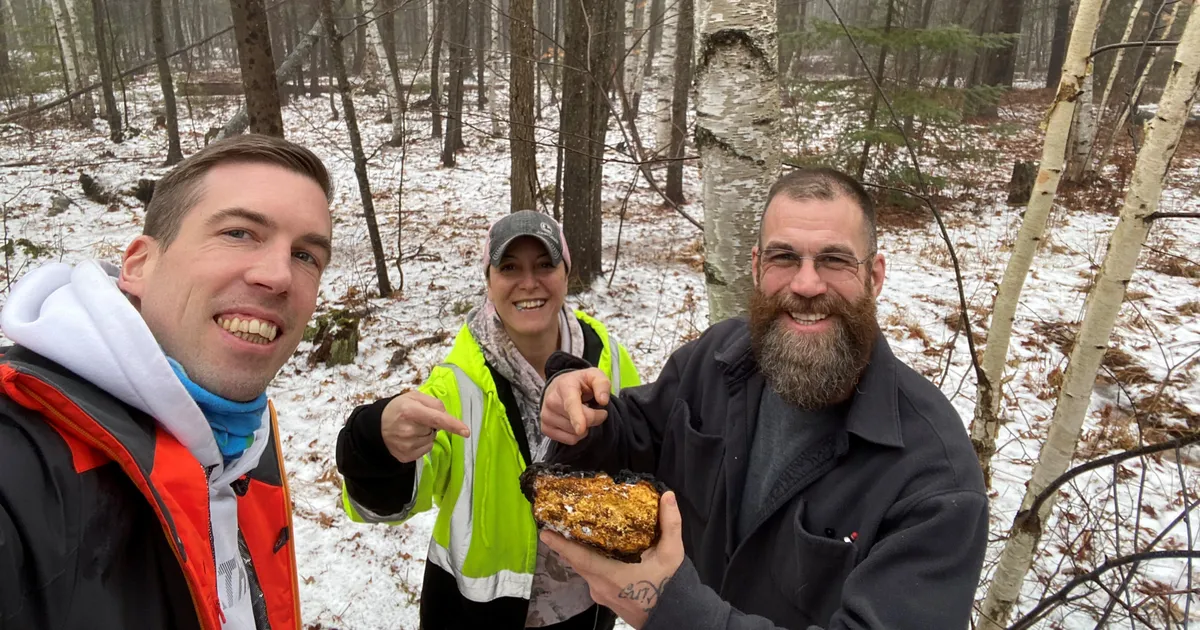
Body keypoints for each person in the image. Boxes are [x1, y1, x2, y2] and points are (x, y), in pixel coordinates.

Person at [537, 167, 989, 630]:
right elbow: (638, 432)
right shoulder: (721, 357)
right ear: (756, 268)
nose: (807, 284)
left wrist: (671, 611)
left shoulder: (933, 477)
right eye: (784, 258)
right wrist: (582, 411)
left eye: (834, 260)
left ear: (874, 276)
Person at [0, 135, 334, 630]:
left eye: (307, 255)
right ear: (139, 265)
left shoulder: (243, 438)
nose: (278, 275)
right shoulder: (19, 452)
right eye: (239, 233)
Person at [336, 211, 642, 630]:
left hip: (586, 609)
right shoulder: (456, 384)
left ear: (567, 275)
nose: (529, 282)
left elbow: (644, 459)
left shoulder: (609, 359)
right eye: (510, 267)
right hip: (475, 612)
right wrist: (373, 440)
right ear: (489, 281)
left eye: (545, 265)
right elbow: (392, 501)